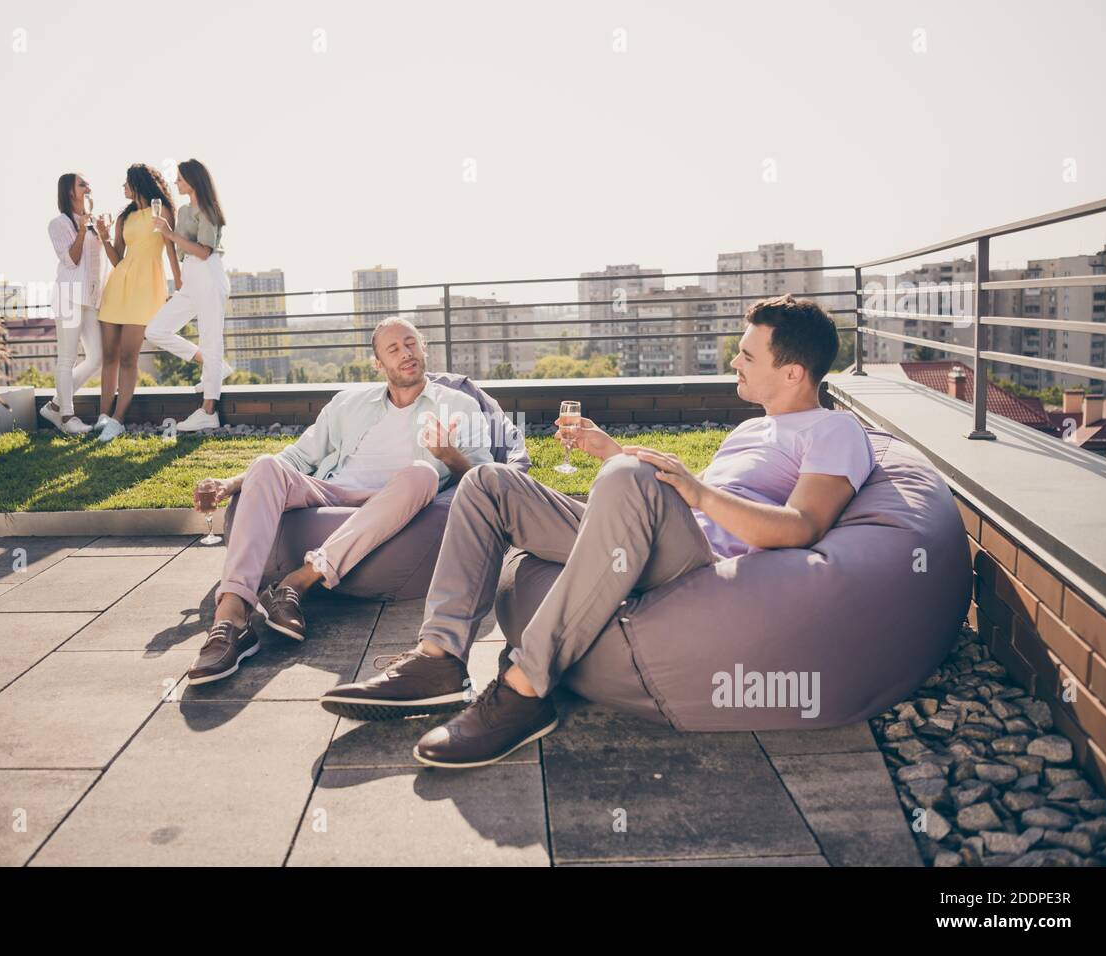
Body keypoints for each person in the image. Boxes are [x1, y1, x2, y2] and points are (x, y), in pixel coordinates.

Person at [320, 294, 876, 769]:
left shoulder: (834, 430)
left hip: (693, 562)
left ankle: (525, 689)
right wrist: (611, 452)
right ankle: (439, 658)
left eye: (748, 354)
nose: (736, 359)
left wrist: (696, 490)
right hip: (649, 538)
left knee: (629, 474)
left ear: (793, 372)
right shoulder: (754, 429)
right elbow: (665, 495)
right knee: (488, 481)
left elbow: (802, 527)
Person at [185, 317, 494, 685]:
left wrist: (446, 454)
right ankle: (232, 618)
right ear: (378, 364)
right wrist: (232, 483)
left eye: (411, 344)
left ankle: (298, 582)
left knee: (422, 474)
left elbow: (482, 480)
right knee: (265, 465)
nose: (406, 354)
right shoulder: (349, 403)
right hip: (330, 490)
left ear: (423, 348)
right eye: (393, 349)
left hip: (396, 498)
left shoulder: (458, 404)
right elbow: (295, 459)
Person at [92, 163, 181, 442]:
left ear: (138, 183)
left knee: (129, 357)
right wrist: (104, 238)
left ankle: (118, 420)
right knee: (109, 356)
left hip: (146, 289)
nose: (123, 188)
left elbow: (169, 248)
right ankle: (103, 416)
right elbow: (118, 257)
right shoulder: (124, 217)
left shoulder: (162, 211)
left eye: (126, 183)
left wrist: (178, 282)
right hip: (118, 287)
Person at [145, 159, 233, 433]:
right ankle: (214, 366)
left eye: (180, 179)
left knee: (211, 339)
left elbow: (204, 250)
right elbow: (185, 249)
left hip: (208, 273)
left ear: (194, 180)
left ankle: (208, 410)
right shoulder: (184, 210)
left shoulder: (208, 210)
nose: (176, 183)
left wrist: (169, 234)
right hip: (192, 278)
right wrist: (166, 231)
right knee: (155, 330)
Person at [40, 172, 103, 435]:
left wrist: (102, 232)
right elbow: (71, 260)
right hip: (68, 296)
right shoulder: (58, 223)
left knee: (97, 357)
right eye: (82, 184)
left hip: (89, 299)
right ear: (69, 192)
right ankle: (67, 417)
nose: (88, 187)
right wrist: (82, 230)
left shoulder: (93, 222)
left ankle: (54, 406)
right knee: (67, 358)